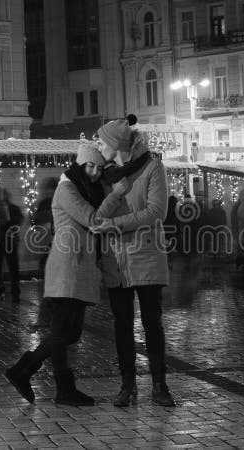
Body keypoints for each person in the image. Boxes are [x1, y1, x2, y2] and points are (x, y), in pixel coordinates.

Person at [5, 144, 127, 406]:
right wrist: (115, 196)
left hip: (82, 269)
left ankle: (22, 371)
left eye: (98, 167)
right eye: (89, 166)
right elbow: (94, 220)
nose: (94, 172)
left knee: (70, 333)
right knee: (62, 332)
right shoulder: (67, 189)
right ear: (80, 165)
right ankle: (63, 389)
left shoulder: (90, 189)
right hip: (67, 266)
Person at [93, 118, 176, 407]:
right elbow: (97, 215)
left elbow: (157, 212)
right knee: (122, 325)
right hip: (115, 258)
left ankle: (159, 385)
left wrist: (114, 224)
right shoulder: (105, 175)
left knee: (153, 323)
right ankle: (127, 385)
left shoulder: (153, 167)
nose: (98, 146)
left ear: (116, 144)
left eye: (102, 141)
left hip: (146, 255)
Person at [33, 177, 59, 277]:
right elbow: (36, 219)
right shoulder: (46, 203)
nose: (49, 192)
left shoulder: (54, 202)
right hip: (49, 236)